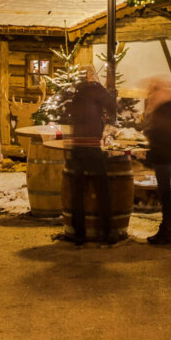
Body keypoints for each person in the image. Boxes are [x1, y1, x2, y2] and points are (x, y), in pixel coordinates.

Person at [64, 69, 116, 245]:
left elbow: (66, 112)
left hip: (76, 145)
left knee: (77, 190)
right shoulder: (96, 89)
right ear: (92, 77)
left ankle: (79, 233)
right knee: (102, 188)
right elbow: (113, 106)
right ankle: (107, 232)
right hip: (91, 145)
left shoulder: (75, 91)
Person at [142, 79, 171, 246]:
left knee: (165, 192)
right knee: (164, 191)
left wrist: (149, 130)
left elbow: (159, 129)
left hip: (163, 151)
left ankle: (167, 231)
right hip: (162, 151)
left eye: (154, 89)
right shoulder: (169, 106)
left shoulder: (165, 107)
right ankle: (166, 229)